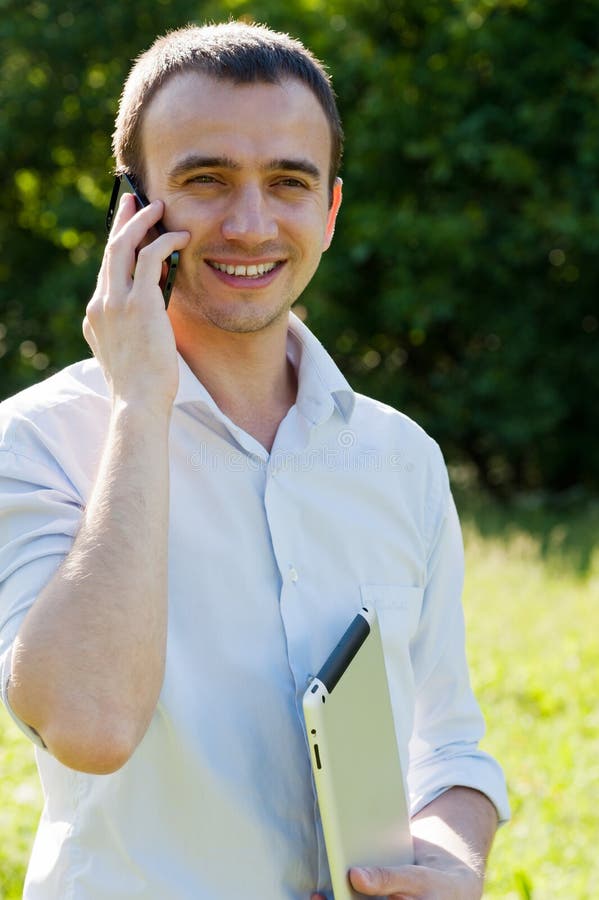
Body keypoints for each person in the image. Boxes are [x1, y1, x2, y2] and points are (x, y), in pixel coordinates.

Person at [0, 21, 509, 900]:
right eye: (206, 180)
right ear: (132, 212)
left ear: (329, 211)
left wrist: (452, 861)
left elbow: (448, 745)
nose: (249, 223)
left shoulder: (398, 458)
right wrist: (141, 401)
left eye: (287, 182)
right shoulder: (36, 440)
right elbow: (89, 725)